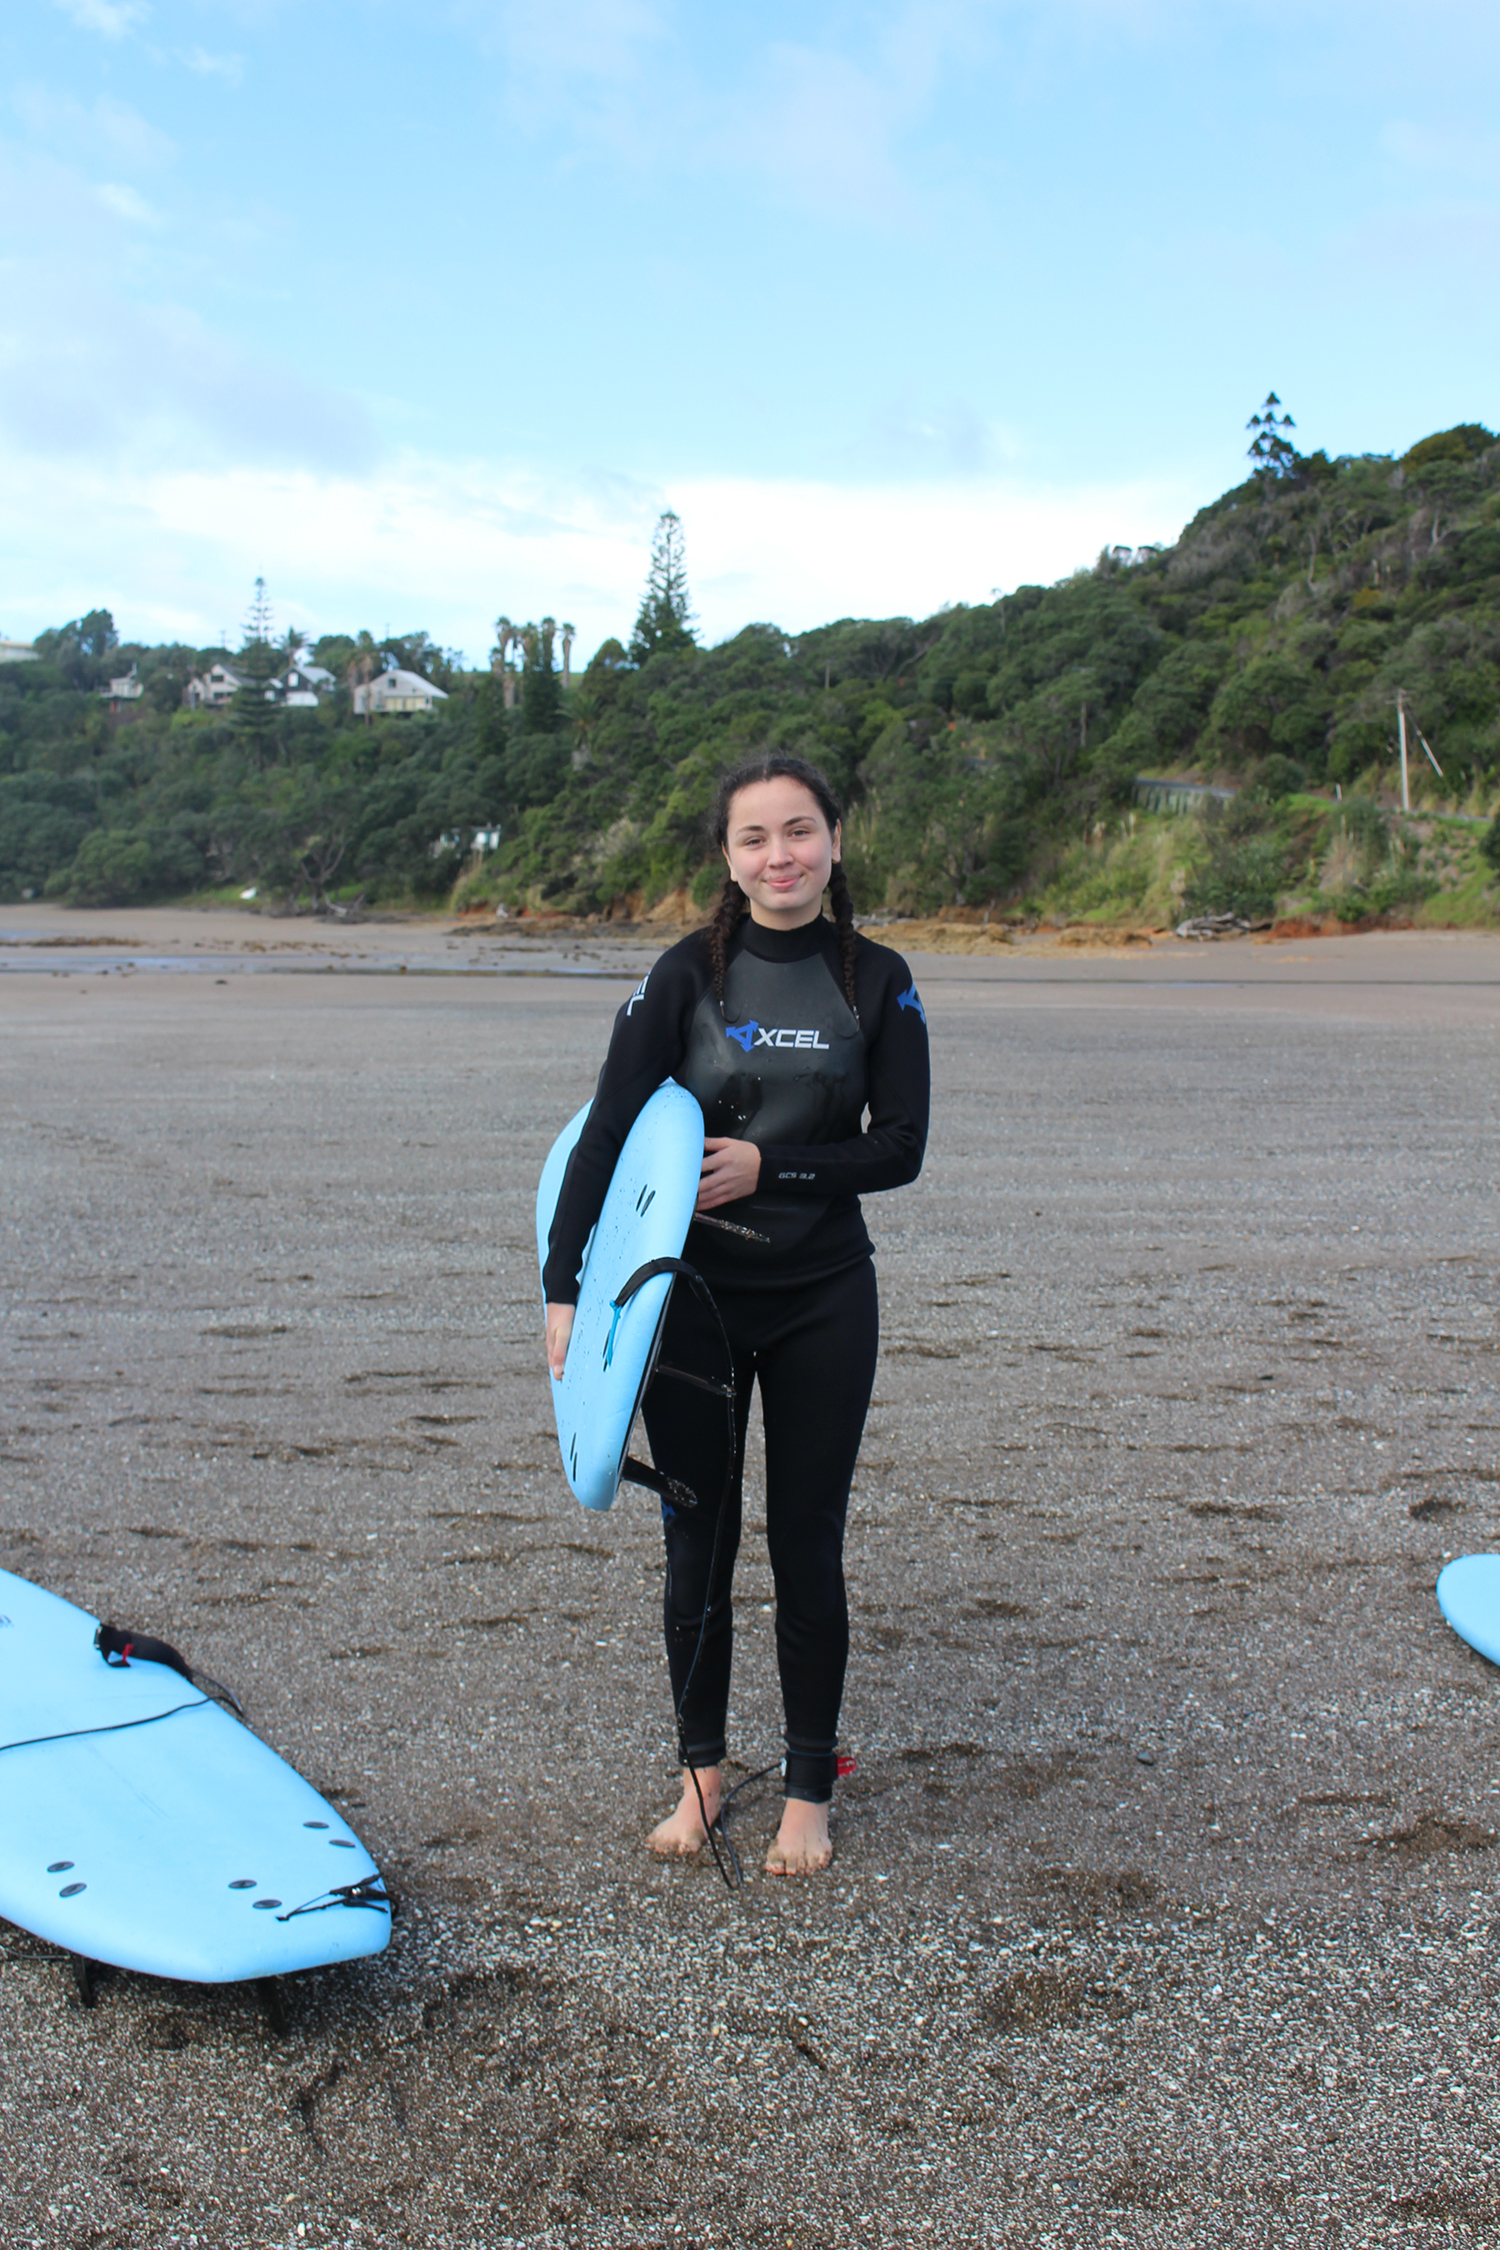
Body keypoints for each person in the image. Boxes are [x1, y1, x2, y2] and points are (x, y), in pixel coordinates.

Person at [542, 755, 930, 1874]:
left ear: (836, 842)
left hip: (822, 1298)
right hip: (691, 1303)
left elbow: (899, 1148)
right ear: (728, 858)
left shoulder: (879, 979)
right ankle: (702, 1775)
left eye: (799, 832)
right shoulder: (681, 979)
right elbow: (607, 1134)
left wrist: (774, 1168)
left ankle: (809, 1788)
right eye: (755, 839)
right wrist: (564, 1289)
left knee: (808, 1545)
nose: (781, 856)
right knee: (696, 1542)